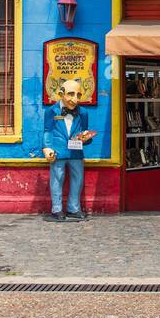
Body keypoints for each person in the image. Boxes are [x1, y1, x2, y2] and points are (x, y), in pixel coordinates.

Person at [43, 79, 96, 222]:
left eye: (78, 95)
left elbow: (84, 132)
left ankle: (73, 208)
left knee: (77, 179)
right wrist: (47, 147)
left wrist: (86, 138)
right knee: (57, 179)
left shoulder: (83, 113)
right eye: (71, 94)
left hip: (76, 152)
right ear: (61, 94)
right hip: (58, 151)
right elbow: (47, 130)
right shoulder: (51, 111)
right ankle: (57, 209)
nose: (75, 99)